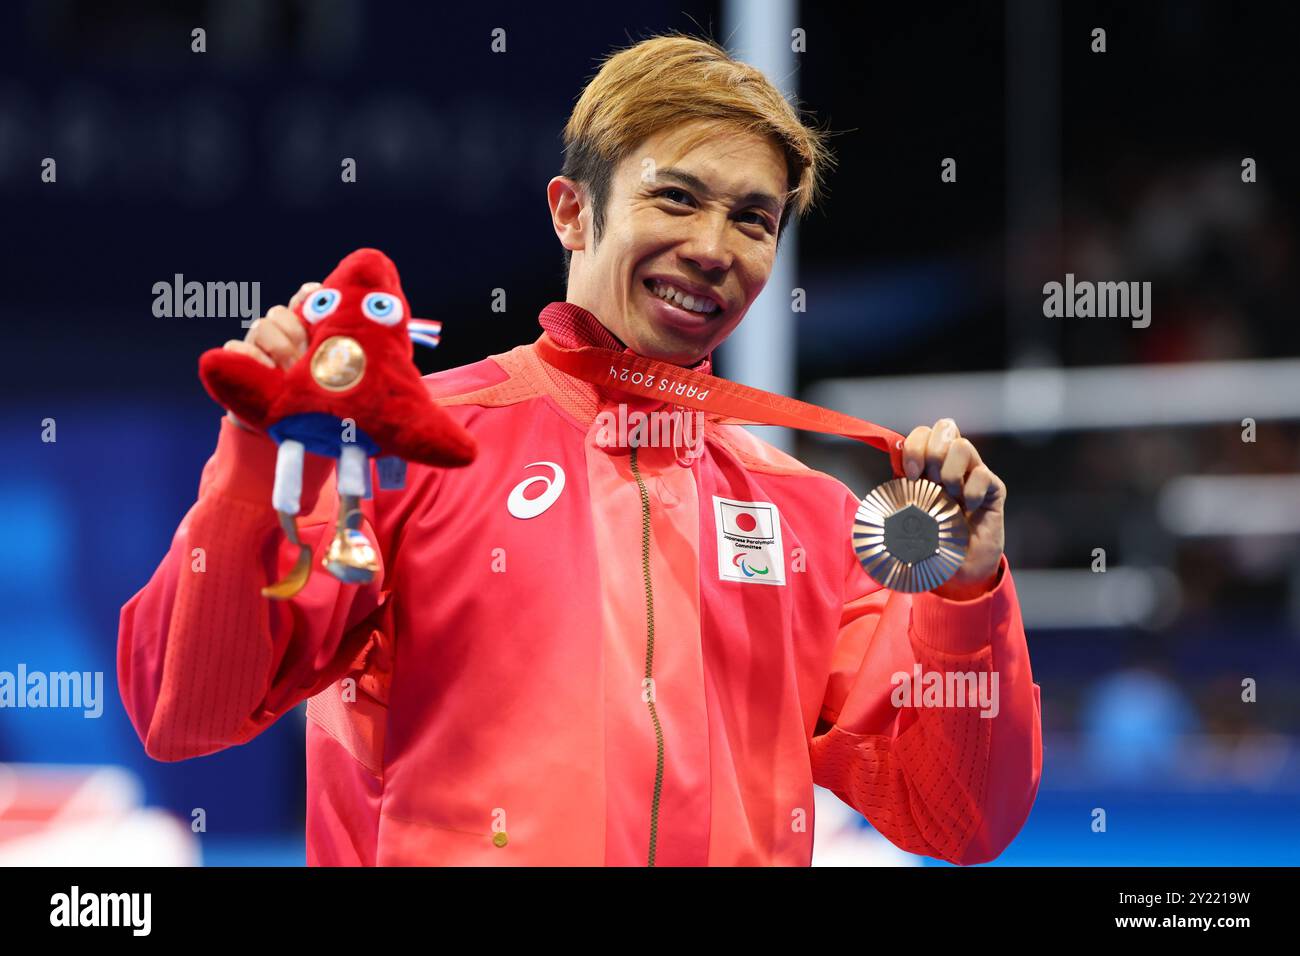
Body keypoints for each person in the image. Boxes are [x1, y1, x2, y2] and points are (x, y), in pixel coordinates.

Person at [118, 33, 1042, 866]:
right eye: (676, 197)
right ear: (572, 213)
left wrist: (964, 601)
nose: (714, 247)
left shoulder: (808, 513)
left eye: (754, 220)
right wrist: (259, 457)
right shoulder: (409, 452)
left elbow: (956, 818)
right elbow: (184, 711)